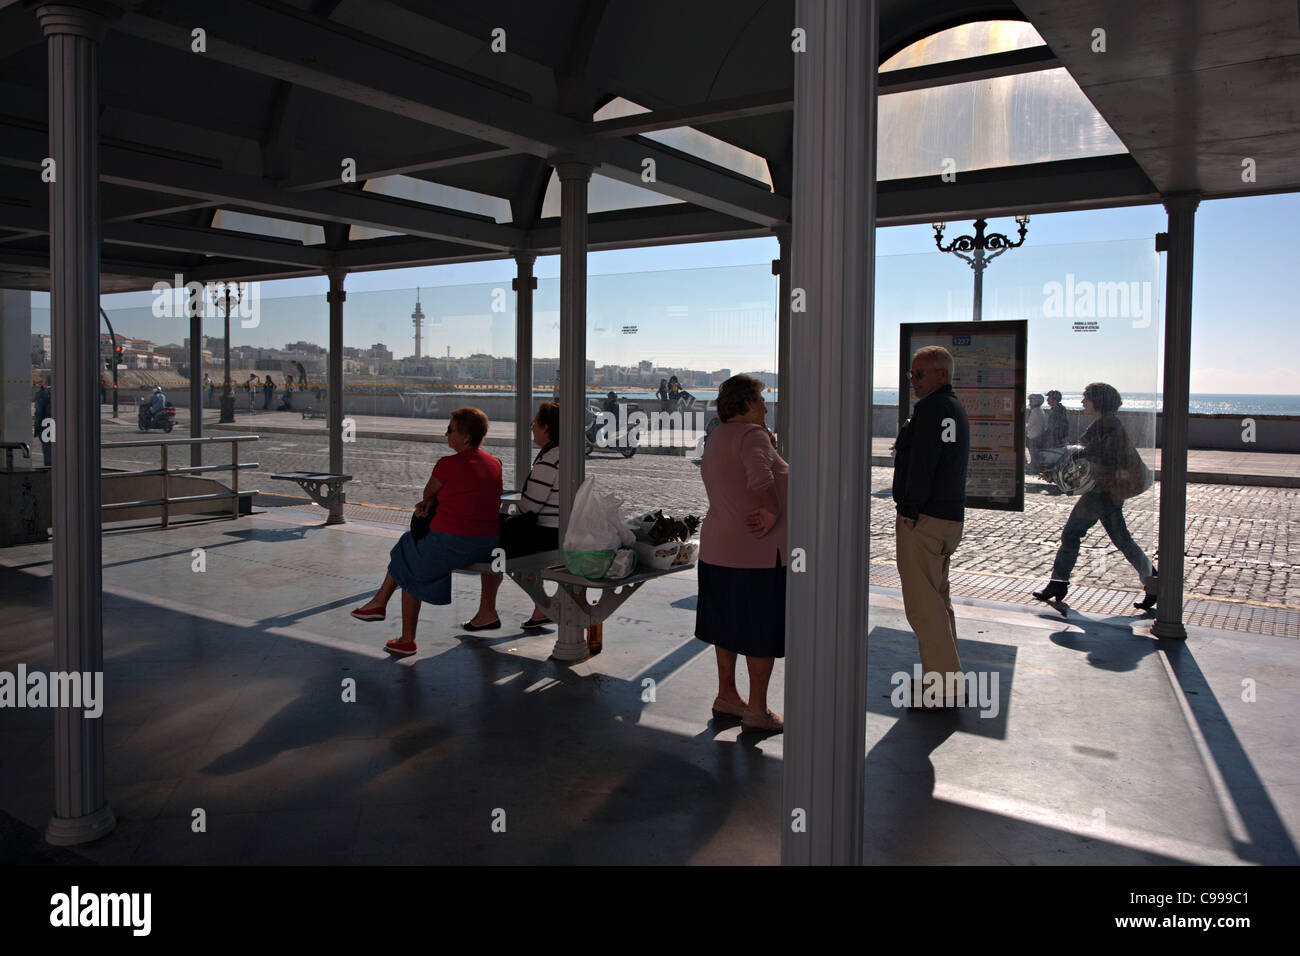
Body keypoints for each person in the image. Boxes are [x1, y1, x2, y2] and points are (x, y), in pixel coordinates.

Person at [351, 408, 503, 655]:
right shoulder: (495, 464)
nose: (446, 434)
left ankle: (402, 634)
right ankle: (379, 604)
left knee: (408, 554)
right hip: (488, 544)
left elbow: (427, 493)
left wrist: (429, 502)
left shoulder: (446, 463)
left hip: (454, 543)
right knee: (414, 550)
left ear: (465, 437)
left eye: (450, 430)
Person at [695, 374, 787, 732]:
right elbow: (759, 478)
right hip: (757, 554)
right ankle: (758, 709)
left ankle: (728, 696)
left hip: (717, 549)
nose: (765, 406)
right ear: (748, 404)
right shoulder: (752, 436)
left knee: (726, 626)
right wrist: (773, 510)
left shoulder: (718, 435)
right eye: (761, 401)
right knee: (759, 631)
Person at [1032, 383, 1158, 610]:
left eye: (1085, 398)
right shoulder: (1107, 424)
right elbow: (1091, 457)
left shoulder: (1107, 426)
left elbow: (1095, 460)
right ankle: (1154, 582)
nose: (1082, 402)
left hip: (1102, 493)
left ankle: (1058, 583)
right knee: (1122, 540)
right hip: (1108, 492)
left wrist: (1061, 471)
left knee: (1071, 534)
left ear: (1097, 401)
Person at [893, 346, 970, 708]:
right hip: (947, 516)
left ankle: (943, 688)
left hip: (924, 520)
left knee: (923, 606)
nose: (913, 381)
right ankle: (946, 677)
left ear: (942, 374)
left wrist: (909, 509)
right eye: (911, 375)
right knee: (938, 601)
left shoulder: (931, 410)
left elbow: (922, 464)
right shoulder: (953, 408)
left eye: (919, 374)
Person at [466, 402, 560, 631]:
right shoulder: (561, 453)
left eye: (534, 424)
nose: (531, 428)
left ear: (546, 428)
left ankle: (487, 611)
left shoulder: (550, 459)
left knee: (490, 543)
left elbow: (529, 508)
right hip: (556, 531)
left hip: (546, 535)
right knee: (502, 533)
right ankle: (540, 609)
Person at [1026, 393, 1047, 475]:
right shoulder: (1041, 411)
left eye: (1031, 400)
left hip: (1033, 437)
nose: (1029, 402)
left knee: (1033, 455)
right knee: (1034, 455)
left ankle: (1032, 468)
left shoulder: (1035, 412)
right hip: (1038, 436)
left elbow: (1029, 425)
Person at [33, 376, 52, 466]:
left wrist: (36, 429)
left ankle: (51, 476)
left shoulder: (42, 394)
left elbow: (39, 413)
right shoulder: (66, 392)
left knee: (48, 456)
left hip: (46, 427)